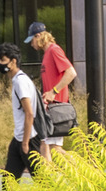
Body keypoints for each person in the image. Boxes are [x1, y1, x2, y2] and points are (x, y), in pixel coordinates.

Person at [33, 27, 77, 159]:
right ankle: (50, 177)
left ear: (39, 35)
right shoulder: (47, 53)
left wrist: (53, 91)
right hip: (51, 107)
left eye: (32, 40)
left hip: (57, 108)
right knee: (49, 146)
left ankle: (82, 172)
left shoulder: (54, 50)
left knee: (50, 147)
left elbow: (71, 73)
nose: (31, 44)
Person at [0, 42, 40, 180]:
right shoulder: (18, 80)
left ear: (13, 61)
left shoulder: (20, 82)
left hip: (28, 139)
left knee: (43, 182)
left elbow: (29, 113)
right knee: (9, 181)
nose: (0, 63)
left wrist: (25, 143)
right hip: (19, 138)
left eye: (3, 60)